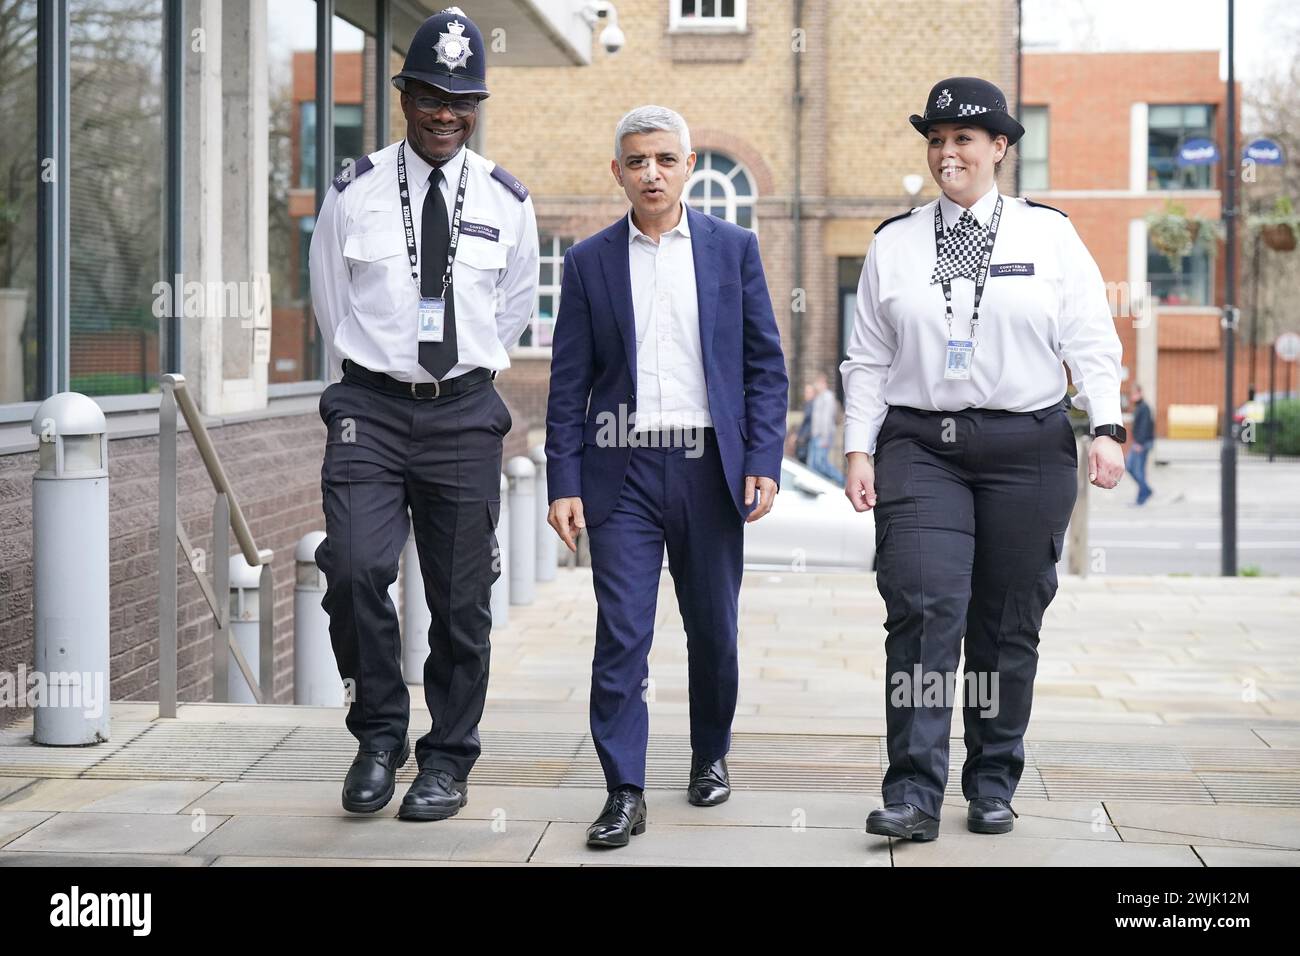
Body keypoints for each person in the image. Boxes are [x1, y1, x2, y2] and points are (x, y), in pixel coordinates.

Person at [840, 76, 1125, 842]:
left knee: (1006, 626)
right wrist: (858, 446)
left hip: (1025, 449)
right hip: (919, 447)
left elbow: (1091, 340)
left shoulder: (1049, 236)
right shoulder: (894, 242)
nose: (946, 152)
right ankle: (913, 792)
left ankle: (992, 779)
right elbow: (865, 359)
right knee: (925, 609)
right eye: (935, 139)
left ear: (1001, 146)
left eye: (962, 138)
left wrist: (1108, 427)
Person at [308, 7, 539, 822]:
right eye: (433, 95)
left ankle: (447, 758)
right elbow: (330, 302)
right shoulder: (355, 189)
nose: (448, 113)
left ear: (477, 106)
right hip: (369, 406)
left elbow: (508, 313)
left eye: (464, 99)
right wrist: (387, 368)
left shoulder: (508, 201)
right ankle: (378, 734)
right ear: (404, 96)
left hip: (463, 411)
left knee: (460, 598)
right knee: (355, 566)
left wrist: (451, 376)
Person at [544, 105, 788, 848]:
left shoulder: (732, 249)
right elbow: (568, 383)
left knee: (713, 629)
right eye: (636, 161)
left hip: (709, 467)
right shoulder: (588, 262)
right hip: (620, 472)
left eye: (665, 159)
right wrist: (563, 480)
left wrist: (763, 462)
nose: (651, 172)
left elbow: (763, 366)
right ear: (617, 172)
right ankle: (624, 788)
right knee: (622, 634)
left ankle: (710, 754)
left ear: (687, 167)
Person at [807, 373, 845, 484]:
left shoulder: (827, 397)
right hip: (815, 435)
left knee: (821, 463)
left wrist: (824, 438)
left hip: (823, 436)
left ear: (822, 383)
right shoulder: (818, 397)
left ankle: (842, 480)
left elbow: (827, 418)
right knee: (813, 465)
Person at [1127, 384, 1155, 505]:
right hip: (1138, 443)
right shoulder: (1139, 407)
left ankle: (1142, 497)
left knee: (1137, 470)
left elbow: (1144, 427)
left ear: (1140, 393)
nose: (1132, 397)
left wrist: (1139, 443)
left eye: (1134, 394)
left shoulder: (1144, 407)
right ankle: (1146, 490)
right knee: (1131, 468)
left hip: (1141, 444)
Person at [795, 383, 815, 464]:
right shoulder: (807, 405)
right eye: (805, 392)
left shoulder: (812, 406)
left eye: (808, 392)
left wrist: (803, 437)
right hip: (803, 439)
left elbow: (810, 424)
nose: (805, 394)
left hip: (806, 440)